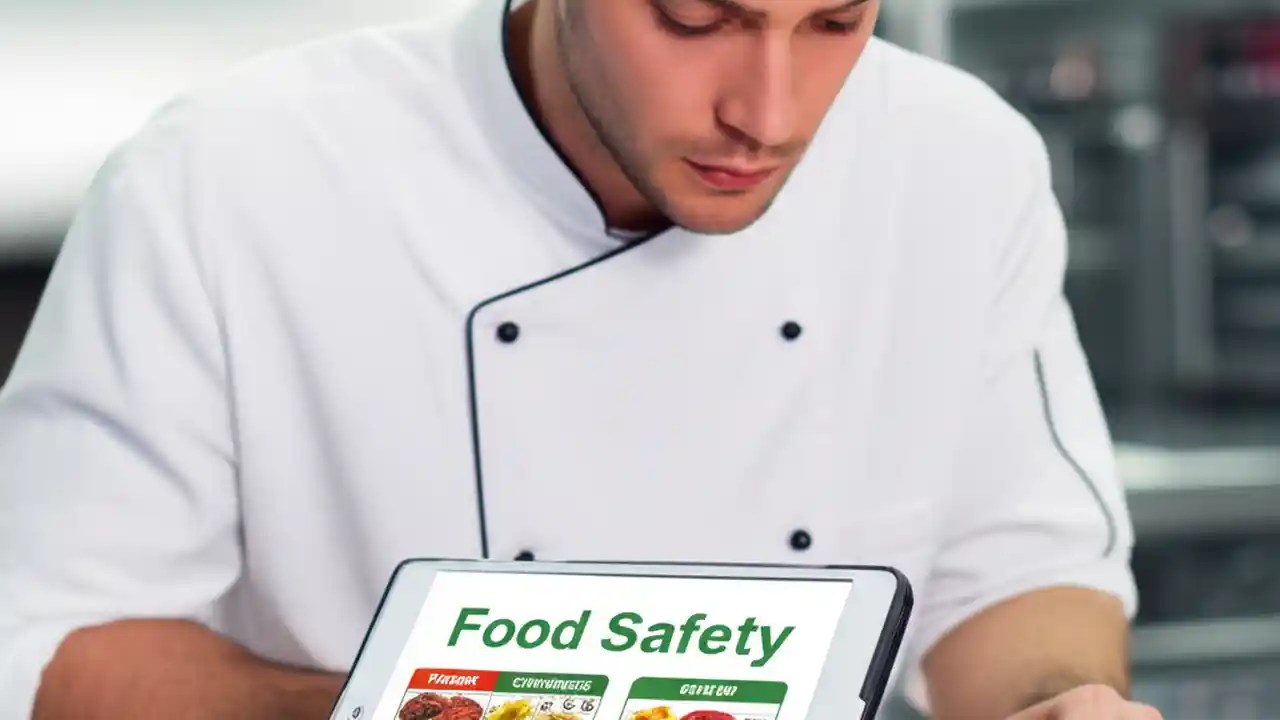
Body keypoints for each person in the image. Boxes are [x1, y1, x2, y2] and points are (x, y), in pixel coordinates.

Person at [0, 0, 1161, 718]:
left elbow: (1012, 571)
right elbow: (51, 646)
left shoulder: (956, 161)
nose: (768, 112)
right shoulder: (234, 173)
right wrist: (453, 715)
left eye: (833, 22)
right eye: (696, 18)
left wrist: (1053, 706)